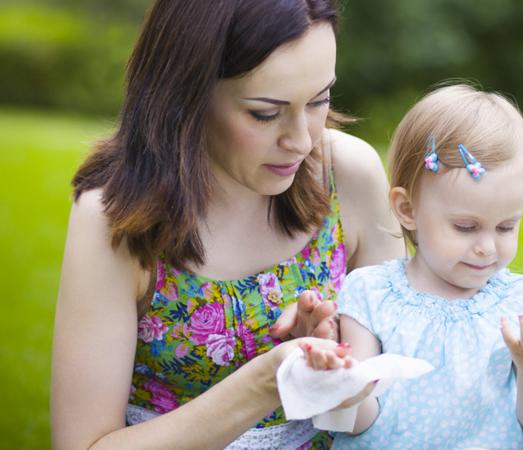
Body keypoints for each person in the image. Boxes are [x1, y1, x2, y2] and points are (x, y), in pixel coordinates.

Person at [49, 0, 404, 448]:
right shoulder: (115, 217)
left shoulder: (348, 174)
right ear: (186, 94)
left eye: (320, 100)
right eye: (265, 113)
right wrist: (267, 382)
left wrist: (337, 361)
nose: (301, 140)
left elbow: (405, 394)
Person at [301, 84, 523, 449]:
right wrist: (339, 386)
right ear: (407, 209)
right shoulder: (371, 296)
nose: (486, 248)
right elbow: (359, 421)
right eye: (466, 227)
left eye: (506, 226)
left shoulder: (519, 307)